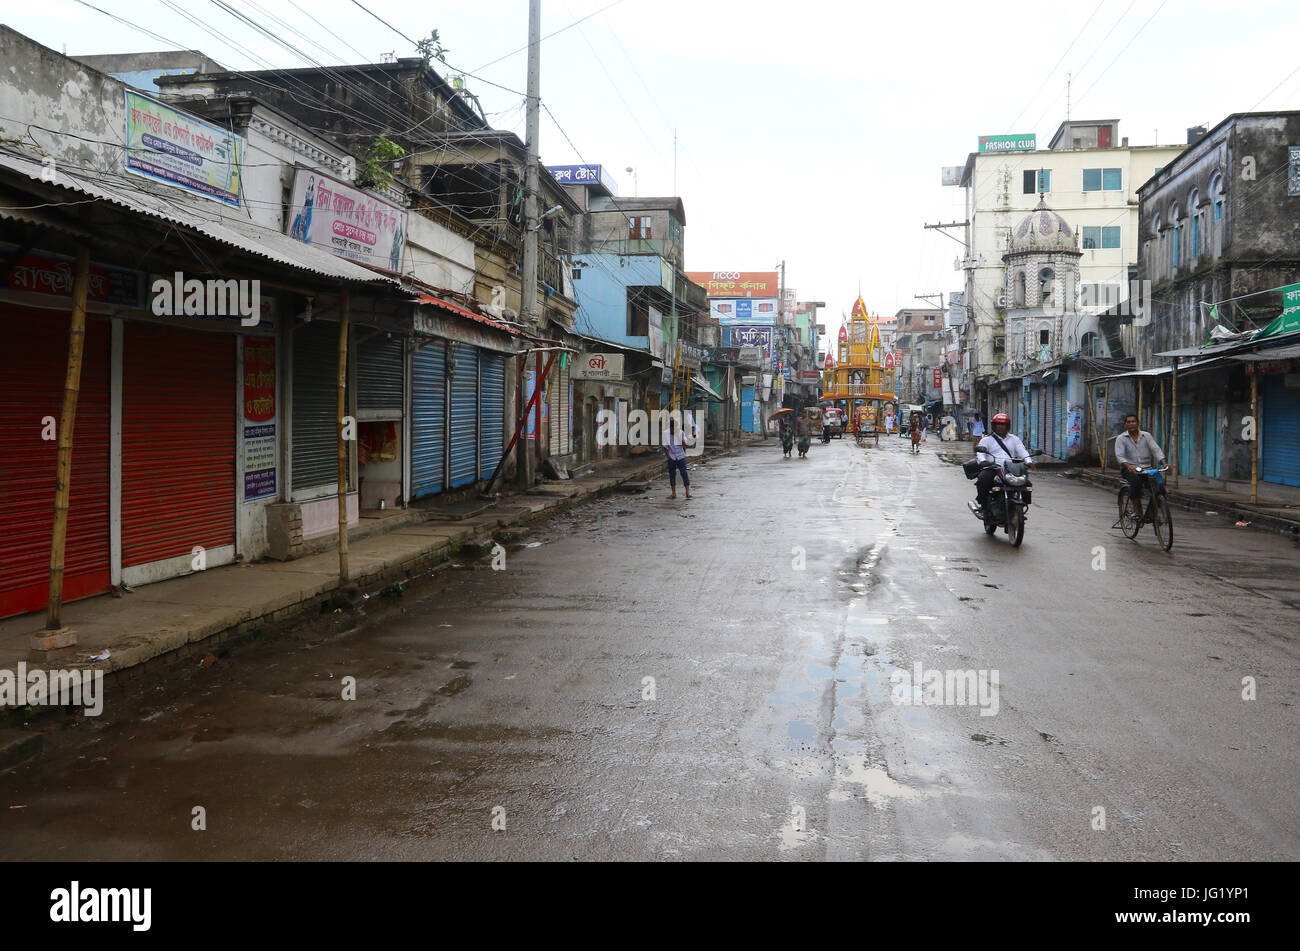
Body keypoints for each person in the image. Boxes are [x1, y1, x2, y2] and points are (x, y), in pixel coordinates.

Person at [973, 412, 1034, 517]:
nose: (1000, 427)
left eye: (1003, 424)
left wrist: (1029, 462)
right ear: (994, 425)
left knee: (1027, 484)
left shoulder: (1014, 439)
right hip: (992, 468)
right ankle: (983, 506)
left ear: (1007, 426)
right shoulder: (987, 439)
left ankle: (1021, 506)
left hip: (1011, 469)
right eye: (998, 424)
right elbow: (980, 453)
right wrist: (983, 461)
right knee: (983, 479)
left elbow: (1022, 451)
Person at [1114, 413, 1167, 520]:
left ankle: (1151, 512)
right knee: (1135, 483)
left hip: (1147, 469)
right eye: (1128, 422)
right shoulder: (1121, 438)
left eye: (1133, 421)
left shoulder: (1146, 436)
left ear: (1138, 423)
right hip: (1130, 469)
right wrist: (1128, 465)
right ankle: (1137, 511)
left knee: (1160, 487)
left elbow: (1155, 449)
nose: (1131, 424)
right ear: (1125, 425)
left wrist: (1163, 462)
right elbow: (1120, 455)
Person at [663, 415, 692, 499]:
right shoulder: (666, 434)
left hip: (680, 457)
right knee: (672, 475)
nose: (673, 430)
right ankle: (673, 493)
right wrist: (668, 457)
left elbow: (685, 445)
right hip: (672, 457)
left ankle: (687, 493)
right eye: (672, 429)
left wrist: (679, 437)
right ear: (670, 428)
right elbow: (665, 447)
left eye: (674, 429)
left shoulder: (681, 433)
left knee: (684, 474)